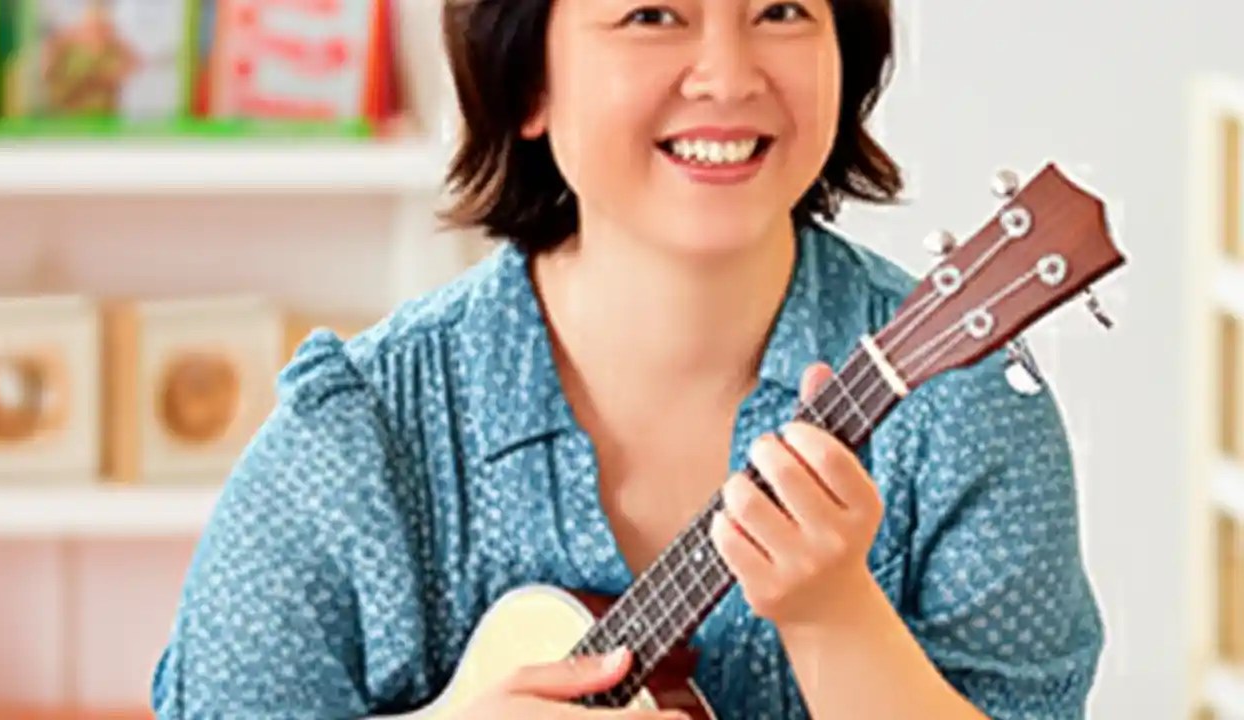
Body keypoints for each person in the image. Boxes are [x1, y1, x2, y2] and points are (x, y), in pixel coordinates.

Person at [150, 1, 1105, 718]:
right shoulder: (356, 441)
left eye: (780, 9)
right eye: (652, 13)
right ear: (527, 82)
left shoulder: (966, 412)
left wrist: (833, 617)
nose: (728, 77)